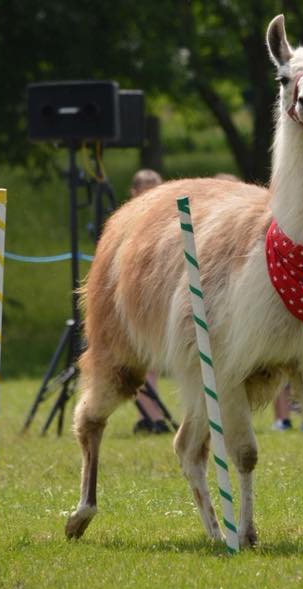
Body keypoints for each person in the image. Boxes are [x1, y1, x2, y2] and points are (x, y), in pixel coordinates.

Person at [128, 169, 172, 435]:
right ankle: (150, 415)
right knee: (142, 360)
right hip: (137, 297)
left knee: (152, 361)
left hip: (156, 296)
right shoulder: (129, 222)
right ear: (134, 194)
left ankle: (151, 415)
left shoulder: (164, 221)